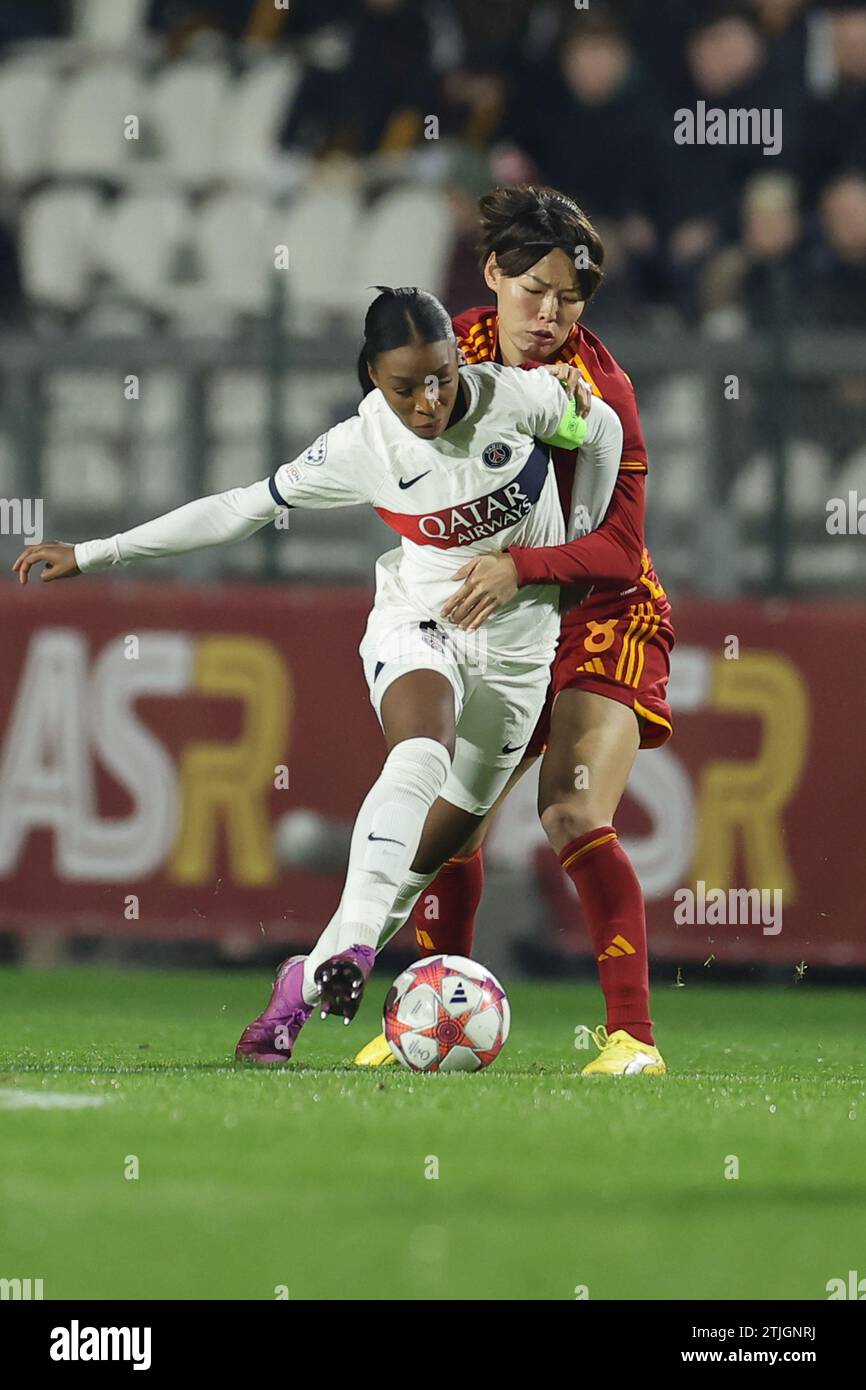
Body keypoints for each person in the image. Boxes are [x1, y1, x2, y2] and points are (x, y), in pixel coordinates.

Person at [12, 286, 623, 1063]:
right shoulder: (363, 445)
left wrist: (575, 546)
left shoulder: (519, 398)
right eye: (405, 387)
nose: (428, 401)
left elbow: (597, 427)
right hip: (421, 625)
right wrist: (98, 552)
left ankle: (299, 987)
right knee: (420, 752)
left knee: (419, 863)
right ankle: (358, 954)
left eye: (439, 376)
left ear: (459, 357)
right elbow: (240, 507)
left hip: (519, 655)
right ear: (373, 376)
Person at [355, 187, 673, 1077]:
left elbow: (619, 546)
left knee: (571, 806)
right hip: (509, 612)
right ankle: (421, 1007)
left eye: (570, 299)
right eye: (534, 289)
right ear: (493, 274)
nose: (550, 314)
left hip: (604, 611)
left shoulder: (604, 388)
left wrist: (519, 568)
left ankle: (633, 1042)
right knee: (454, 828)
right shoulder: (451, 352)